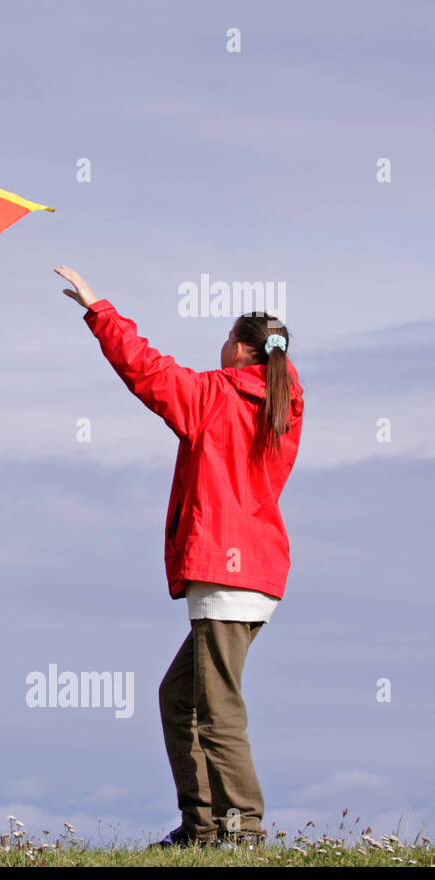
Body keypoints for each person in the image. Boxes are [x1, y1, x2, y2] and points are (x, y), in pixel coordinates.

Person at [55, 266, 305, 848]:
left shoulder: (219, 396)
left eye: (226, 337)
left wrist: (99, 311)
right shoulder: (282, 403)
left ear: (239, 348)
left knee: (218, 710)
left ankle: (242, 831)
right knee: (180, 697)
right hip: (257, 574)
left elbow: (148, 371)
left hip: (222, 572)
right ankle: (202, 827)